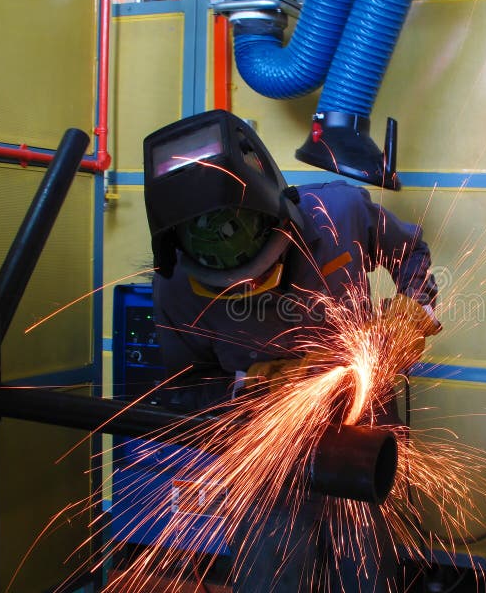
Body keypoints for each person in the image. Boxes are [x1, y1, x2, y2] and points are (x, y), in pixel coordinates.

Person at [142, 109, 439, 592]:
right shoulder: (175, 286)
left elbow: (414, 256)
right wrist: (244, 387)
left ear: (281, 222)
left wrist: (413, 307)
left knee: (365, 575)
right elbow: (184, 385)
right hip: (266, 450)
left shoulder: (340, 214)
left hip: (363, 433)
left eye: (264, 272)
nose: (255, 287)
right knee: (269, 577)